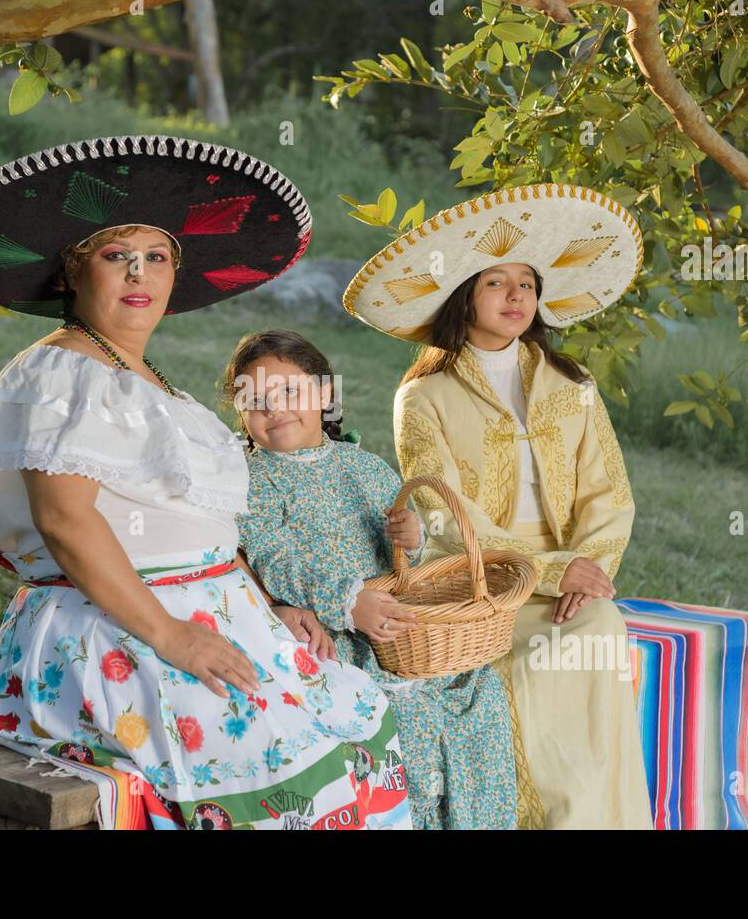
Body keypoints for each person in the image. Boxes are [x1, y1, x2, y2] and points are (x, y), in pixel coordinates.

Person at [0, 134, 413, 830]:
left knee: (353, 718)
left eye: (156, 256)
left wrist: (265, 605)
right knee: (273, 759)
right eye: (114, 254)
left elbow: (201, 525)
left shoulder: (148, 380)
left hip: (213, 618)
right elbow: (66, 521)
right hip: (123, 630)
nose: (139, 271)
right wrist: (171, 634)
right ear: (72, 272)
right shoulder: (62, 370)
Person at [343, 183, 654, 828]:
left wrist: (589, 570)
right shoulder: (424, 397)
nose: (517, 297)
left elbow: (610, 493)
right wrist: (543, 571)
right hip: (485, 580)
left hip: (574, 575)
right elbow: (440, 516)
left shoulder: (574, 385)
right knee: (538, 664)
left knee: (598, 628)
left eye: (528, 284)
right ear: (464, 297)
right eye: (495, 282)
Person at [228, 329, 534, 829]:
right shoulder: (255, 480)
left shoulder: (365, 467)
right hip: (341, 637)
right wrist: (349, 603)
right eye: (255, 400)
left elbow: (408, 564)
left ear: (325, 394)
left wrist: (410, 539)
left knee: (482, 698)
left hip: (405, 631)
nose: (275, 408)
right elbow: (273, 559)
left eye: (290, 392)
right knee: (405, 718)